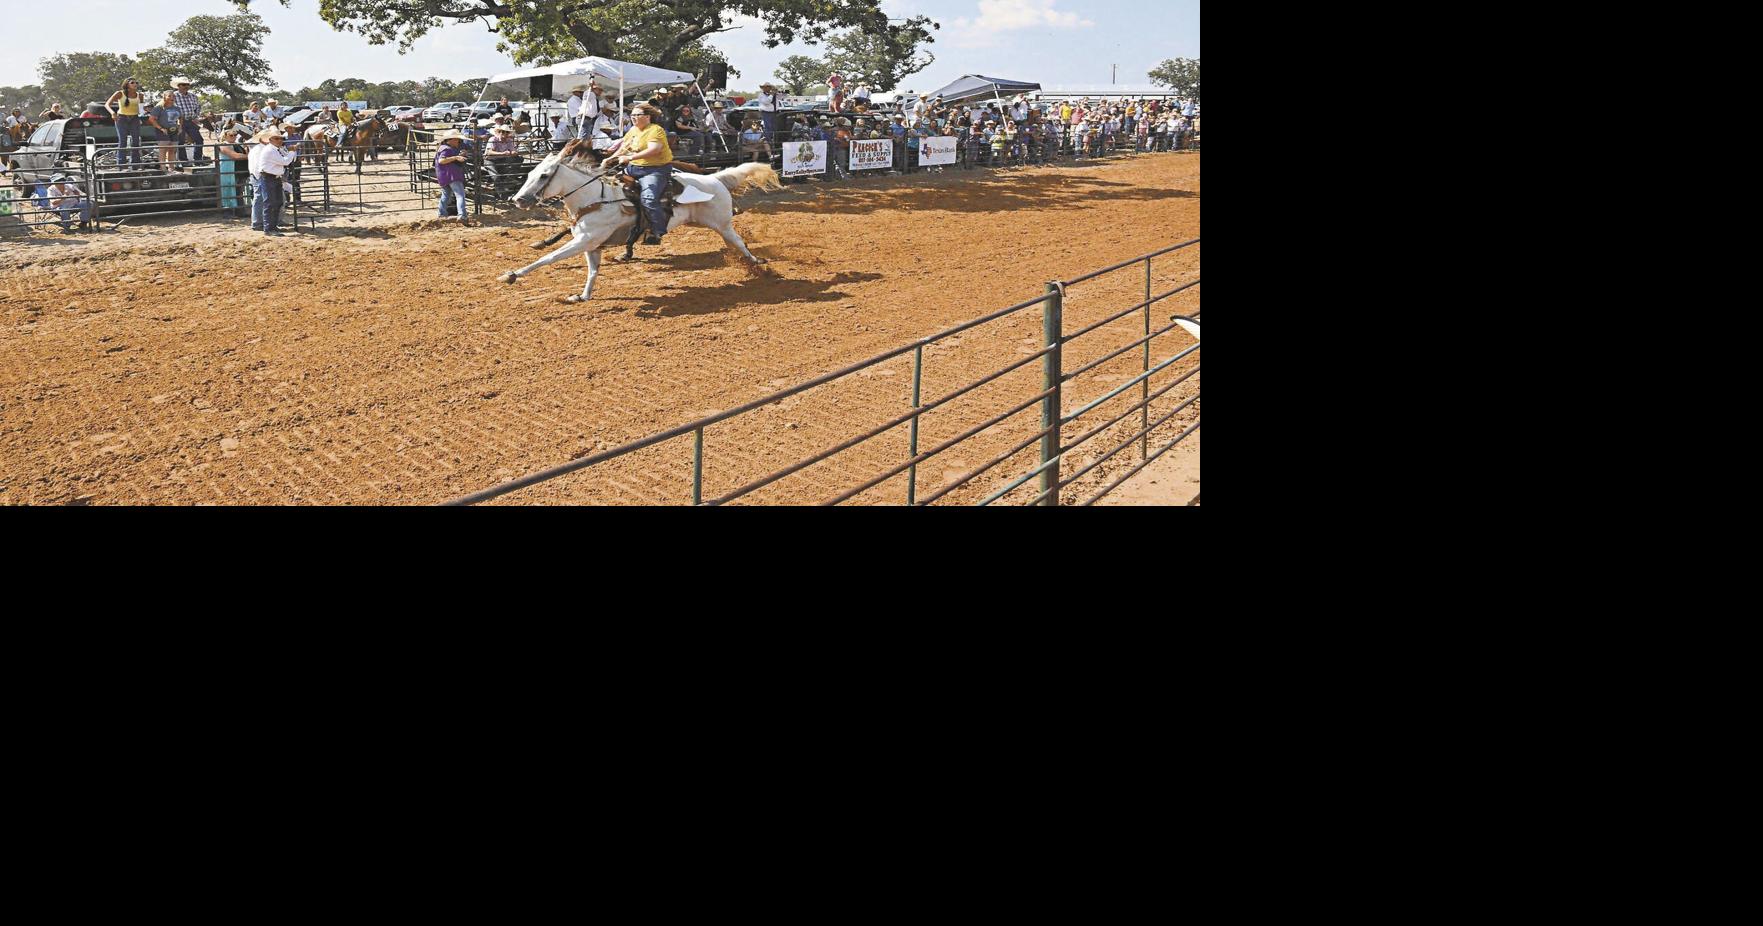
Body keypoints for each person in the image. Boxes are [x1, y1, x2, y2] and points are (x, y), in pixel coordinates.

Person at [603, 102, 672, 245]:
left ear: (647, 117)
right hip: (634, 168)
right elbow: (624, 147)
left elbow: (655, 150)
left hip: (654, 169)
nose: (633, 117)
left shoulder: (655, 130)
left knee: (649, 198)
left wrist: (630, 158)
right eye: (632, 115)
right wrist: (610, 159)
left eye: (637, 115)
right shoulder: (633, 130)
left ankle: (657, 231)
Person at [249, 127, 297, 235]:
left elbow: (287, 160)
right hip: (269, 178)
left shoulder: (275, 149)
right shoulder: (271, 150)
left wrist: (290, 153)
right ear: (270, 140)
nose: (280, 140)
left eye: (281, 138)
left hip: (274, 177)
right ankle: (269, 228)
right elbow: (285, 161)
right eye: (276, 138)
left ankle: (272, 226)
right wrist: (292, 152)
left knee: (277, 202)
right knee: (270, 203)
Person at [105, 78, 146, 167]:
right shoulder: (120, 93)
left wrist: (143, 114)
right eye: (132, 83)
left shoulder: (140, 95)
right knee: (122, 141)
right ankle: (121, 164)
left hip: (134, 118)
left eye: (136, 82)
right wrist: (112, 113)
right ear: (127, 84)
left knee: (135, 141)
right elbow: (107, 104)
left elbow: (141, 109)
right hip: (121, 118)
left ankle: (135, 164)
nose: (135, 84)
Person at [434, 128, 470, 226]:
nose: (458, 141)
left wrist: (458, 156)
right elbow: (442, 160)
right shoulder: (447, 149)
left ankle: (441, 214)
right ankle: (462, 215)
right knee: (460, 195)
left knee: (446, 195)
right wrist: (456, 157)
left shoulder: (443, 147)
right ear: (450, 140)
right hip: (452, 175)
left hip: (444, 175)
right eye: (456, 139)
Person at [215, 127, 249, 217]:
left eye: (235, 135)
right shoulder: (222, 145)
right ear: (225, 136)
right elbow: (234, 156)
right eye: (231, 135)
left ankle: (240, 211)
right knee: (228, 190)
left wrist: (246, 149)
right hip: (228, 170)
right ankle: (228, 212)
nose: (233, 137)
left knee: (238, 191)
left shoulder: (238, 144)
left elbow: (242, 154)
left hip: (238, 171)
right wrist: (250, 156)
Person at [171, 78, 205, 164]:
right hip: (179, 122)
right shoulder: (173, 96)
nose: (186, 86)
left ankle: (197, 160)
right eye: (183, 84)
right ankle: (183, 161)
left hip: (190, 121)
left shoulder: (193, 96)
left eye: (187, 84)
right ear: (178, 86)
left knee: (199, 140)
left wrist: (195, 116)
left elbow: (198, 107)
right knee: (180, 141)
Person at [149, 91, 183, 171]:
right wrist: (160, 128)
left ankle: (171, 168)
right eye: (169, 96)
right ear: (164, 97)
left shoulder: (177, 108)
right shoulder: (159, 108)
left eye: (173, 96)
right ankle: (163, 168)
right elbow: (151, 119)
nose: (172, 98)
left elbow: (181, 117)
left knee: (173, 150)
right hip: (163, 131)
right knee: (163, 149)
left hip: (174, 131)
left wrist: (180, 127)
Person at [756, 81, 784, 146]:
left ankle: (773, 142)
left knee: (775, 128)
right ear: (763, 88)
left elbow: (787, 95)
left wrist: (778, 90)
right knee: (768, 127)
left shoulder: (775, 94)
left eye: (769, 87)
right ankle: (767, 142)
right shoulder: (761, 95)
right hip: (766, 113)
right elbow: (766, 102)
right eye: (766, 87)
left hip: (775, 113)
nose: (767, 88)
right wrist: (771, 95)